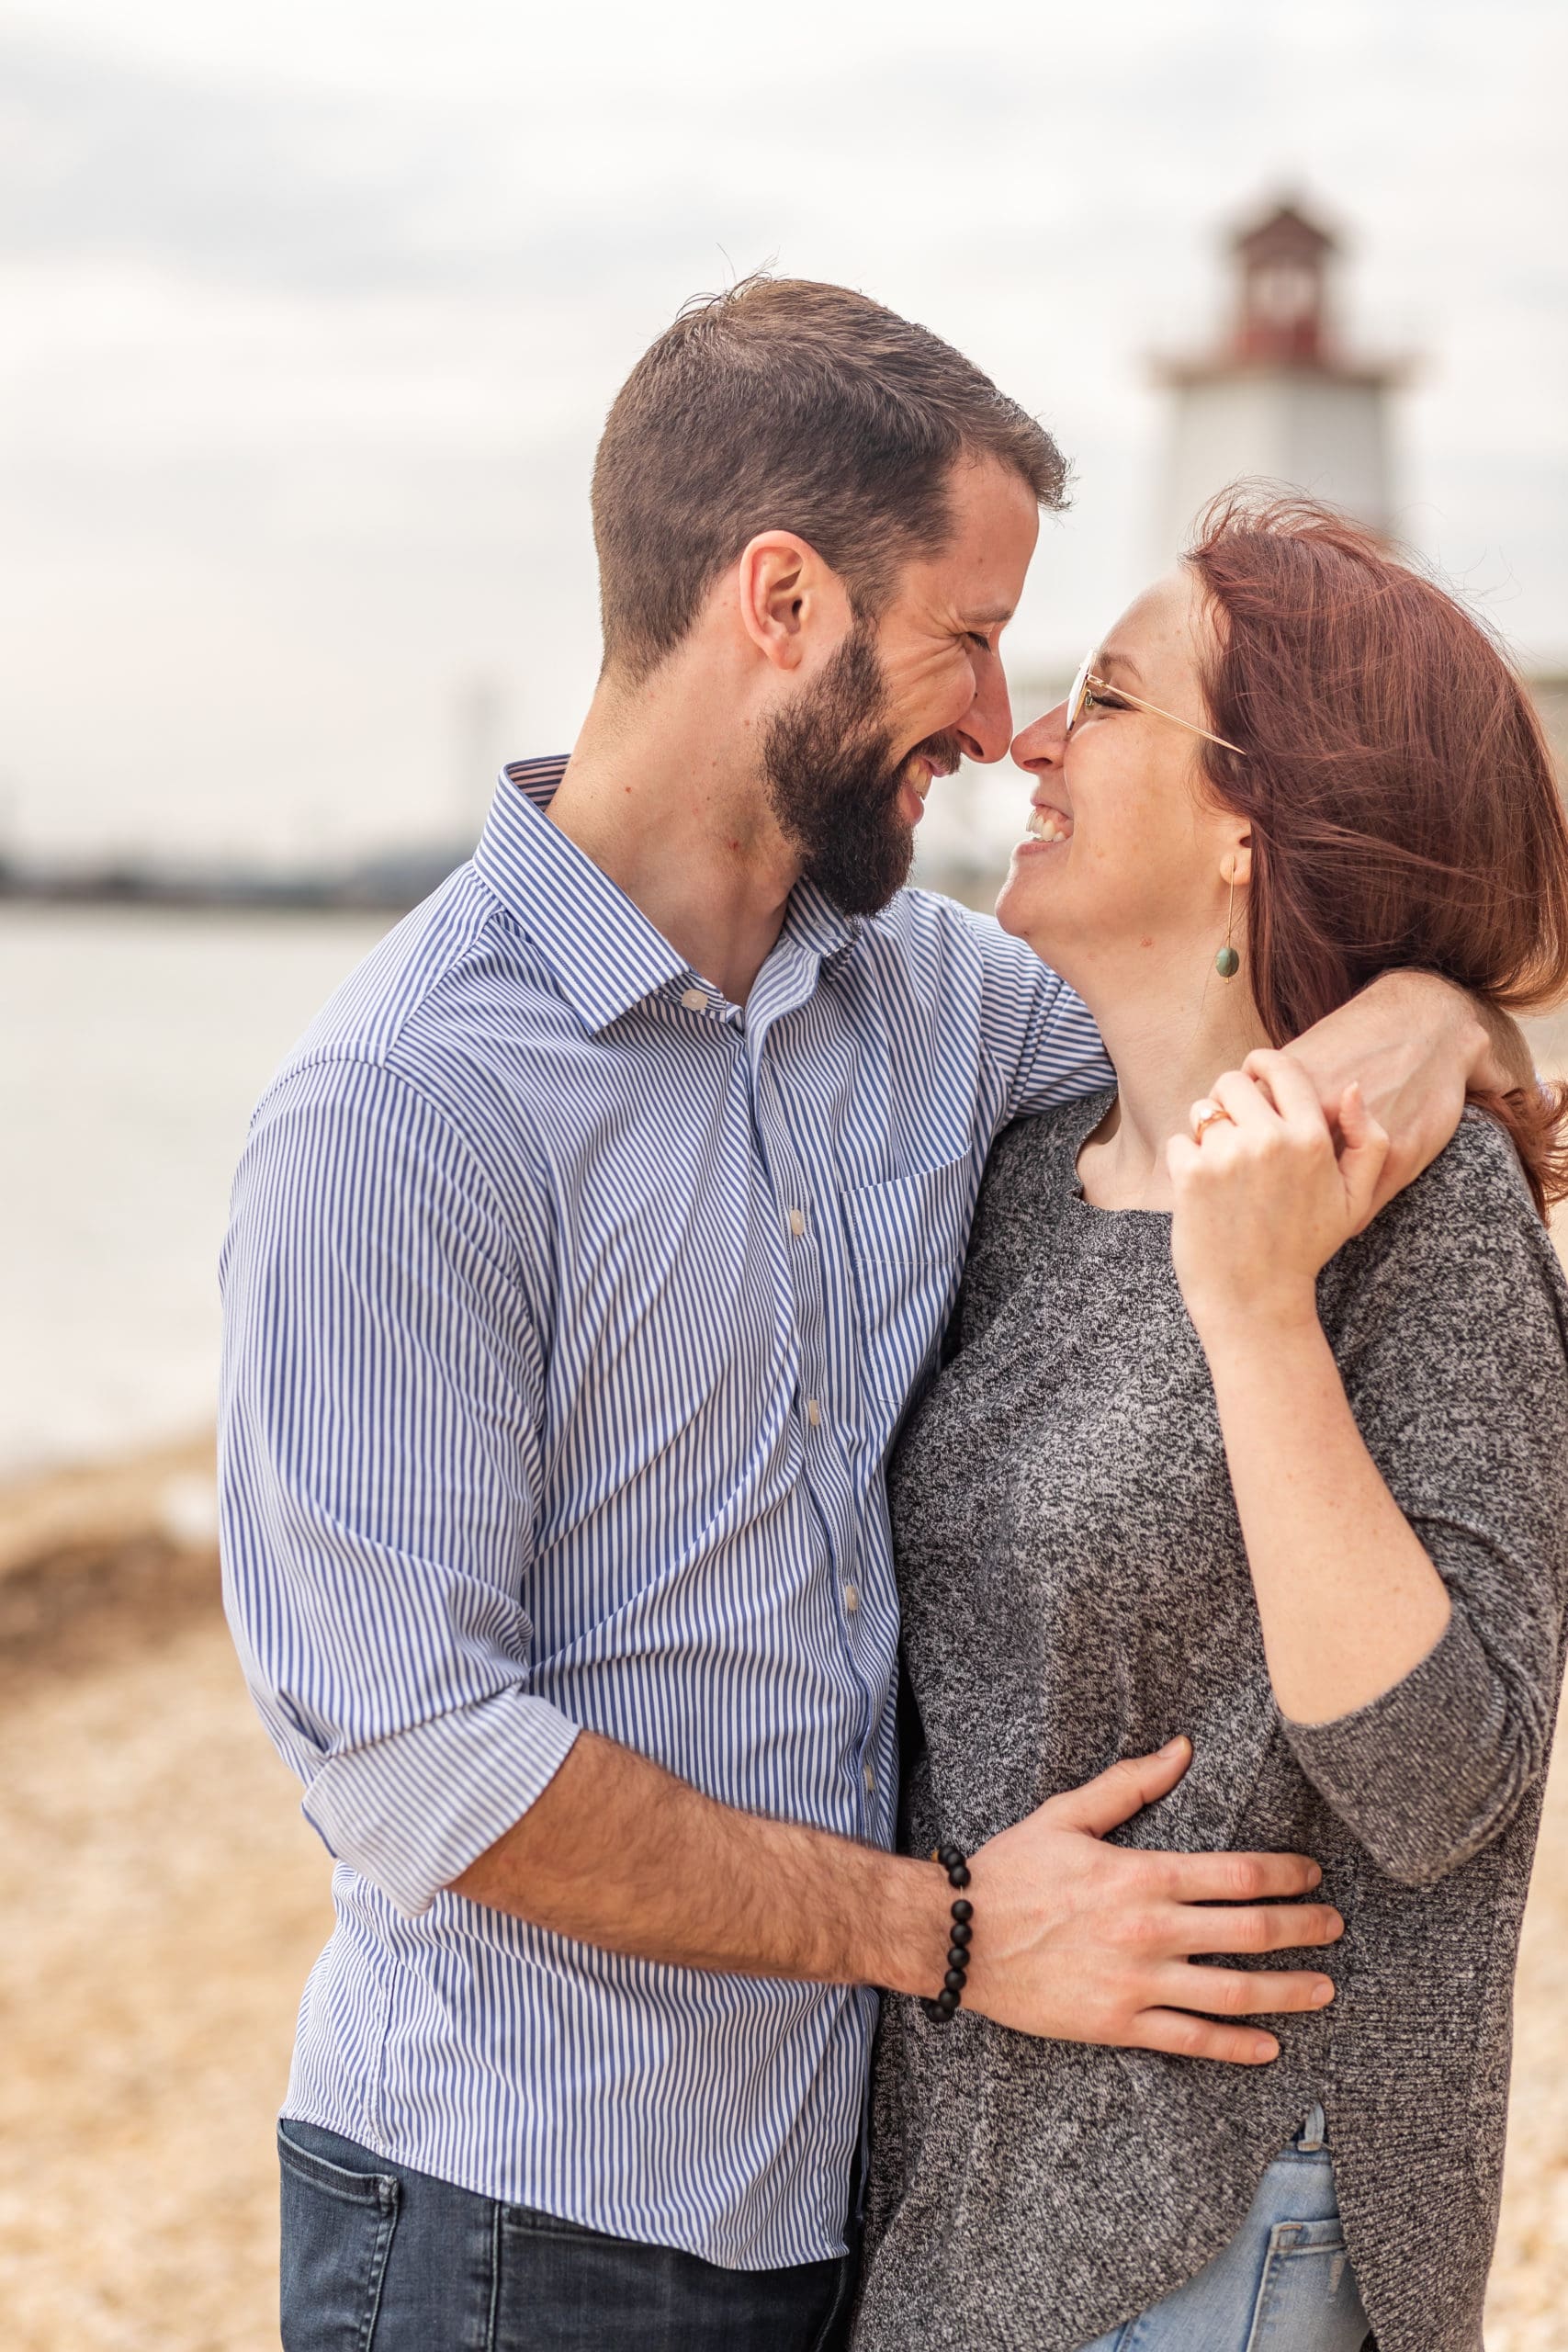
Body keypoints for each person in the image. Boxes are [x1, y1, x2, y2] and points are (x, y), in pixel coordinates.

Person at [219, 285, 1514, 2352]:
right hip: (508, 2210)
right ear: (781, 600)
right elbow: (409, 1756)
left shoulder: (948, 1007)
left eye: (1047, 669)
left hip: (847, 2206)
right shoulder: (404, 1109)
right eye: (969, 636)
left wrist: (1432, 1010)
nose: (1000, 724)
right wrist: (945, 1931)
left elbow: (1268, 997)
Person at [852, 496, 1568, 2352]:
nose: (1027, 739)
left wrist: (1256, 1308)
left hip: (1229, 2234)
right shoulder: (1023, 1179)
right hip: (958, 2209)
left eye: (1102, 699)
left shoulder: (1424, 1221)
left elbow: (1441, 1783)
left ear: (1252, 820)